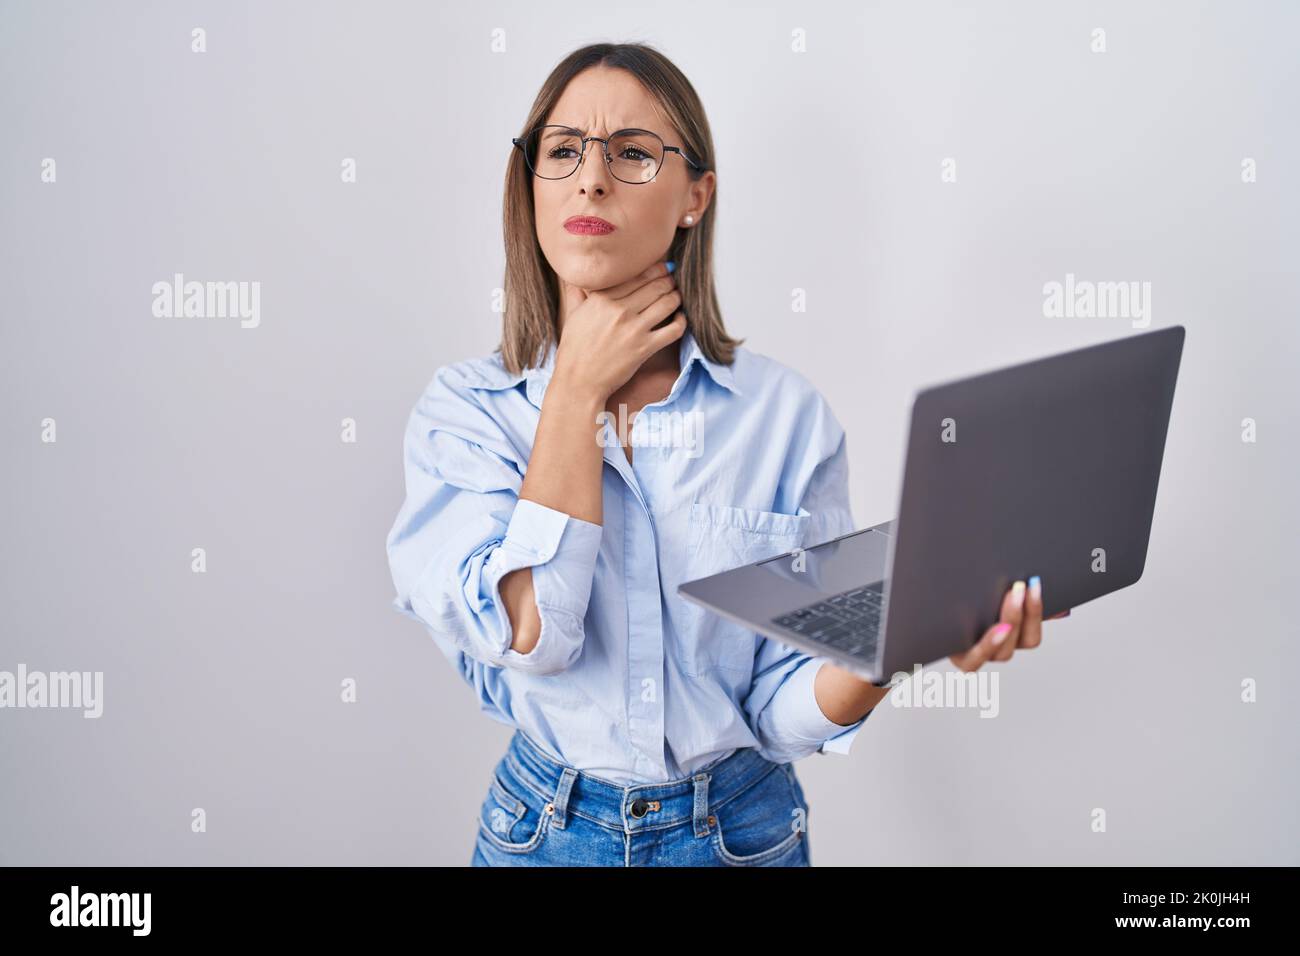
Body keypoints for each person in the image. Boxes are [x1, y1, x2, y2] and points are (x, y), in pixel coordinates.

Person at [385, 42, 1067, 867]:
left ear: (695, 197)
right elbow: (535, 633)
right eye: (563, 151)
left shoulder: (784, 417)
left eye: (633, 152)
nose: (591, 179)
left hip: (743, 836)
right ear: (528, 183)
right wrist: (574, 392)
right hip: (542, 836)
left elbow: (779, 708)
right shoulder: (463, 415)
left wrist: (893, 644)